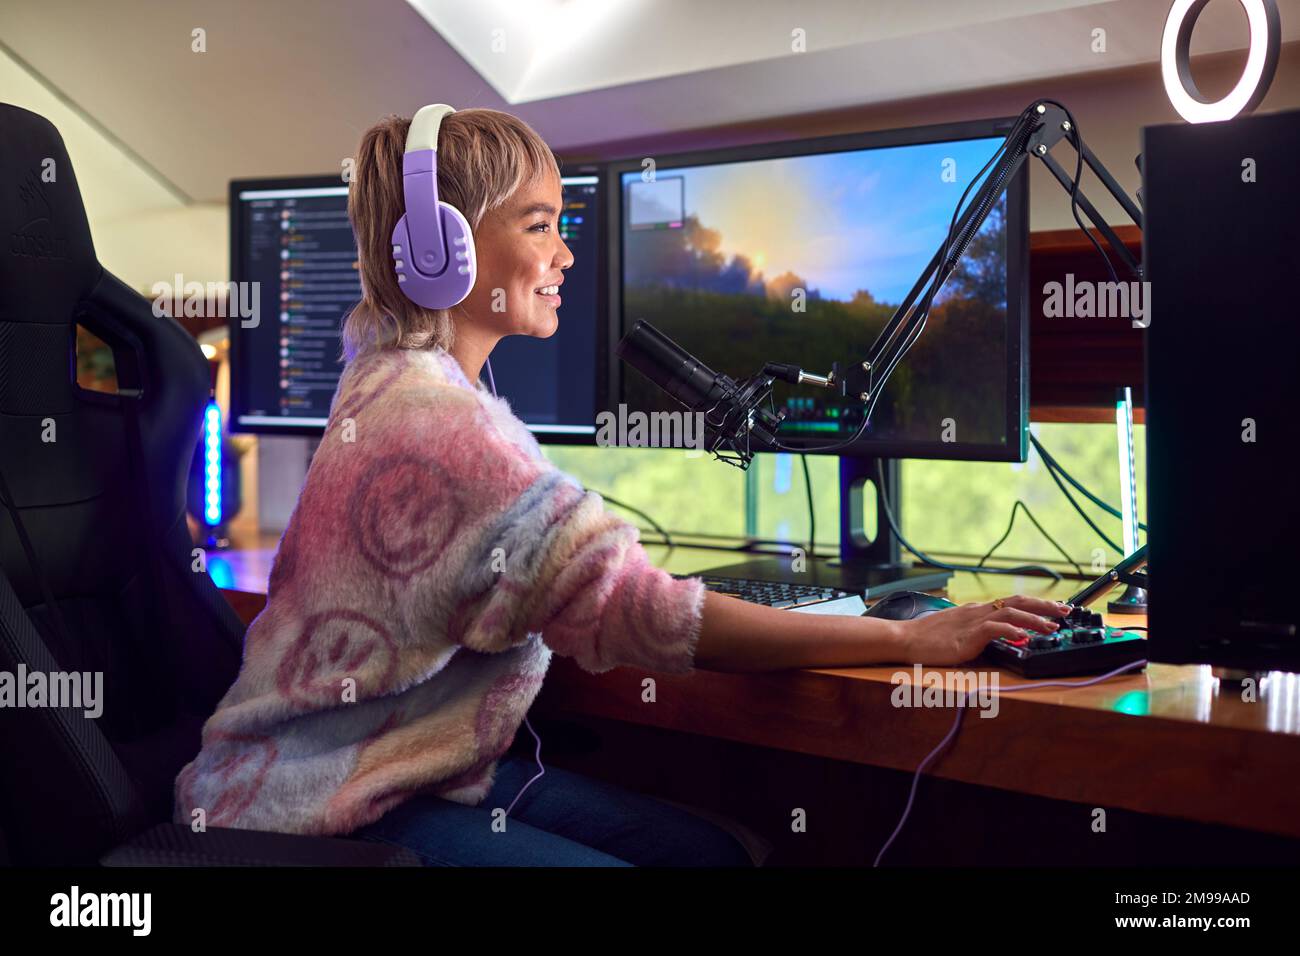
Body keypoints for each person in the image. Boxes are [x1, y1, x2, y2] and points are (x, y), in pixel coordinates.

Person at [174, 108, 1069, 867]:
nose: (565, 253)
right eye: (538, 225)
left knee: (714, 854)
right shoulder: (439, 421)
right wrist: (905, 638)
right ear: (443, 248)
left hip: (390, 769)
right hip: (324, 803)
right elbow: (651, 614)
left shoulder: (386, 374)